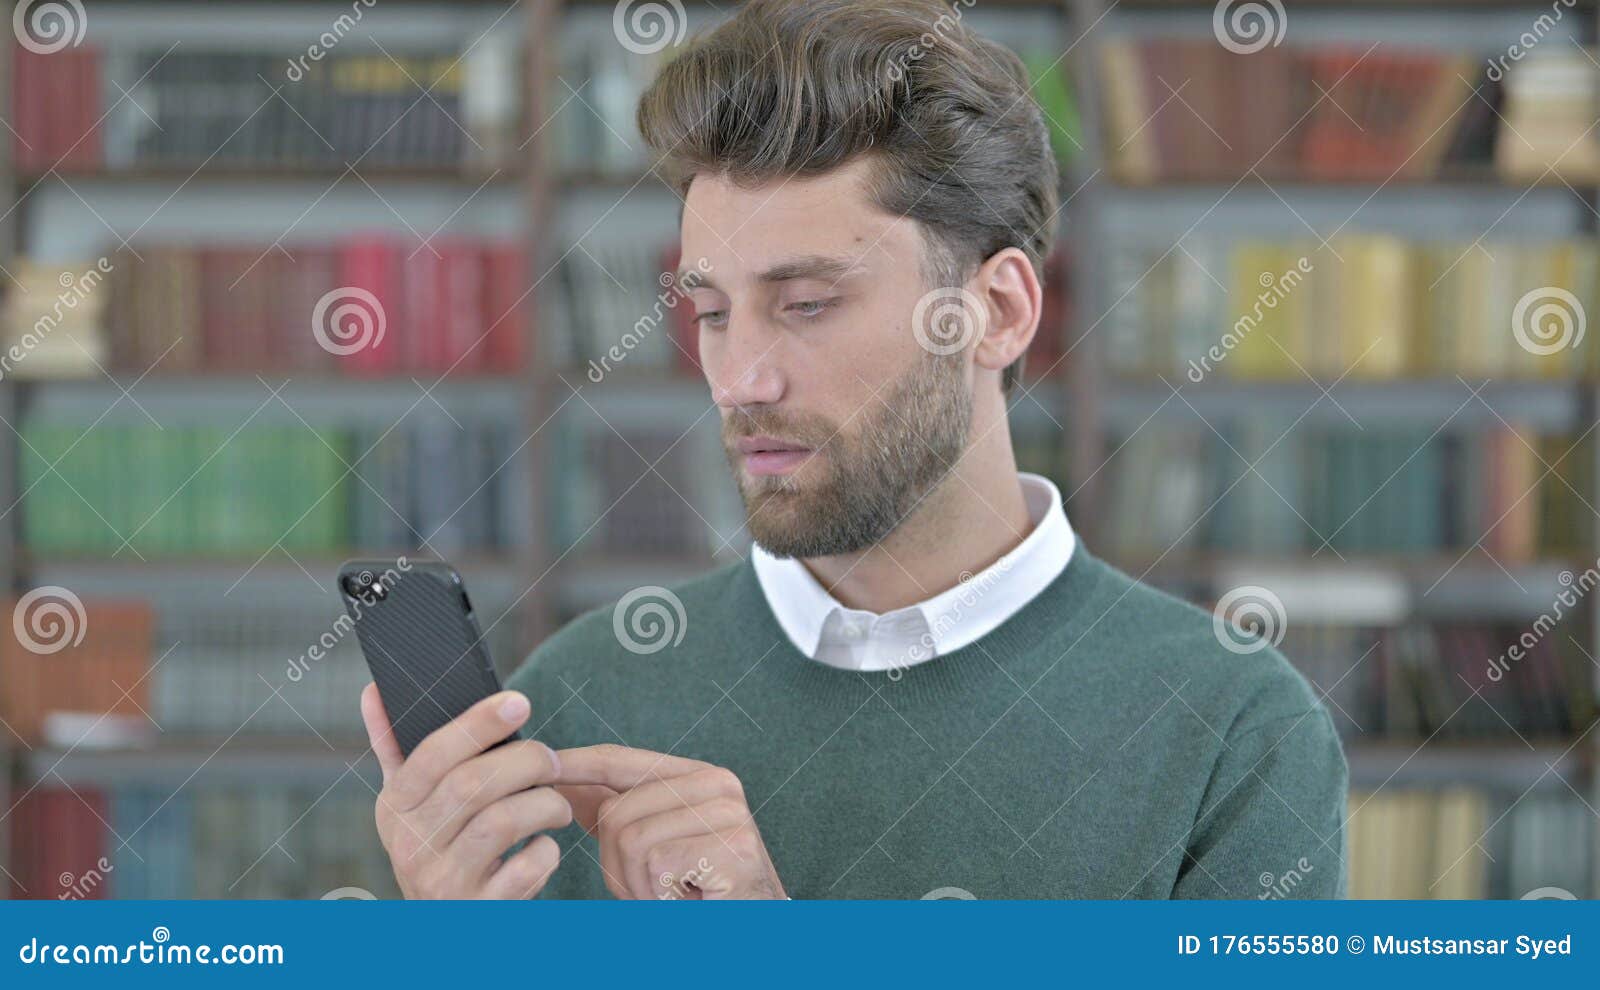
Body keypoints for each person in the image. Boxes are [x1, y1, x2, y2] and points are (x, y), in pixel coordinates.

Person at [359, 0, 1347, 900]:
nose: (740, 378)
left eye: (807, 305)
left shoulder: (1236, 732)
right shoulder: (579, 699)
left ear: (995, 312)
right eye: (709, 312)